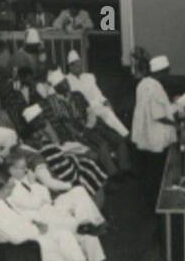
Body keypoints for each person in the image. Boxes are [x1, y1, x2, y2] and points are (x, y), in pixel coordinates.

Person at [0, 171, 100, 261]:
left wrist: (34, 222)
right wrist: (37, 229)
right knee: (65, 243)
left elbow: (18, 215)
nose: (12, 190)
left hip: (26, 234)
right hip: (19, 248)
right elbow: (15, 237)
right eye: (10, 187)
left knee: (65, 237)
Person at [131, 54, 179, 208]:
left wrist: (171, 106)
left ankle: (148, 201)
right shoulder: (155, 87)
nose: (168, 75)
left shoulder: (143, 83)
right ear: (161, 72)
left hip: (146, 134)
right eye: (167, 72)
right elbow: (158, 115)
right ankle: (156, 204)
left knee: (148, 171)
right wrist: (175, 123)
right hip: (155, 136)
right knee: (157, 173)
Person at [65, 49, 130, 139]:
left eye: (80, 65)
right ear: (70, 67)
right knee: (105, 113)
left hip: (95, 105)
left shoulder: (88, 77)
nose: (80, 68)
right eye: (77, 66)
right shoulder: (67, 80)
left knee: (108, 111)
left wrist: (105, 101)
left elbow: (97, 93)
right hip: (82, 109)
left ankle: (125, 135)